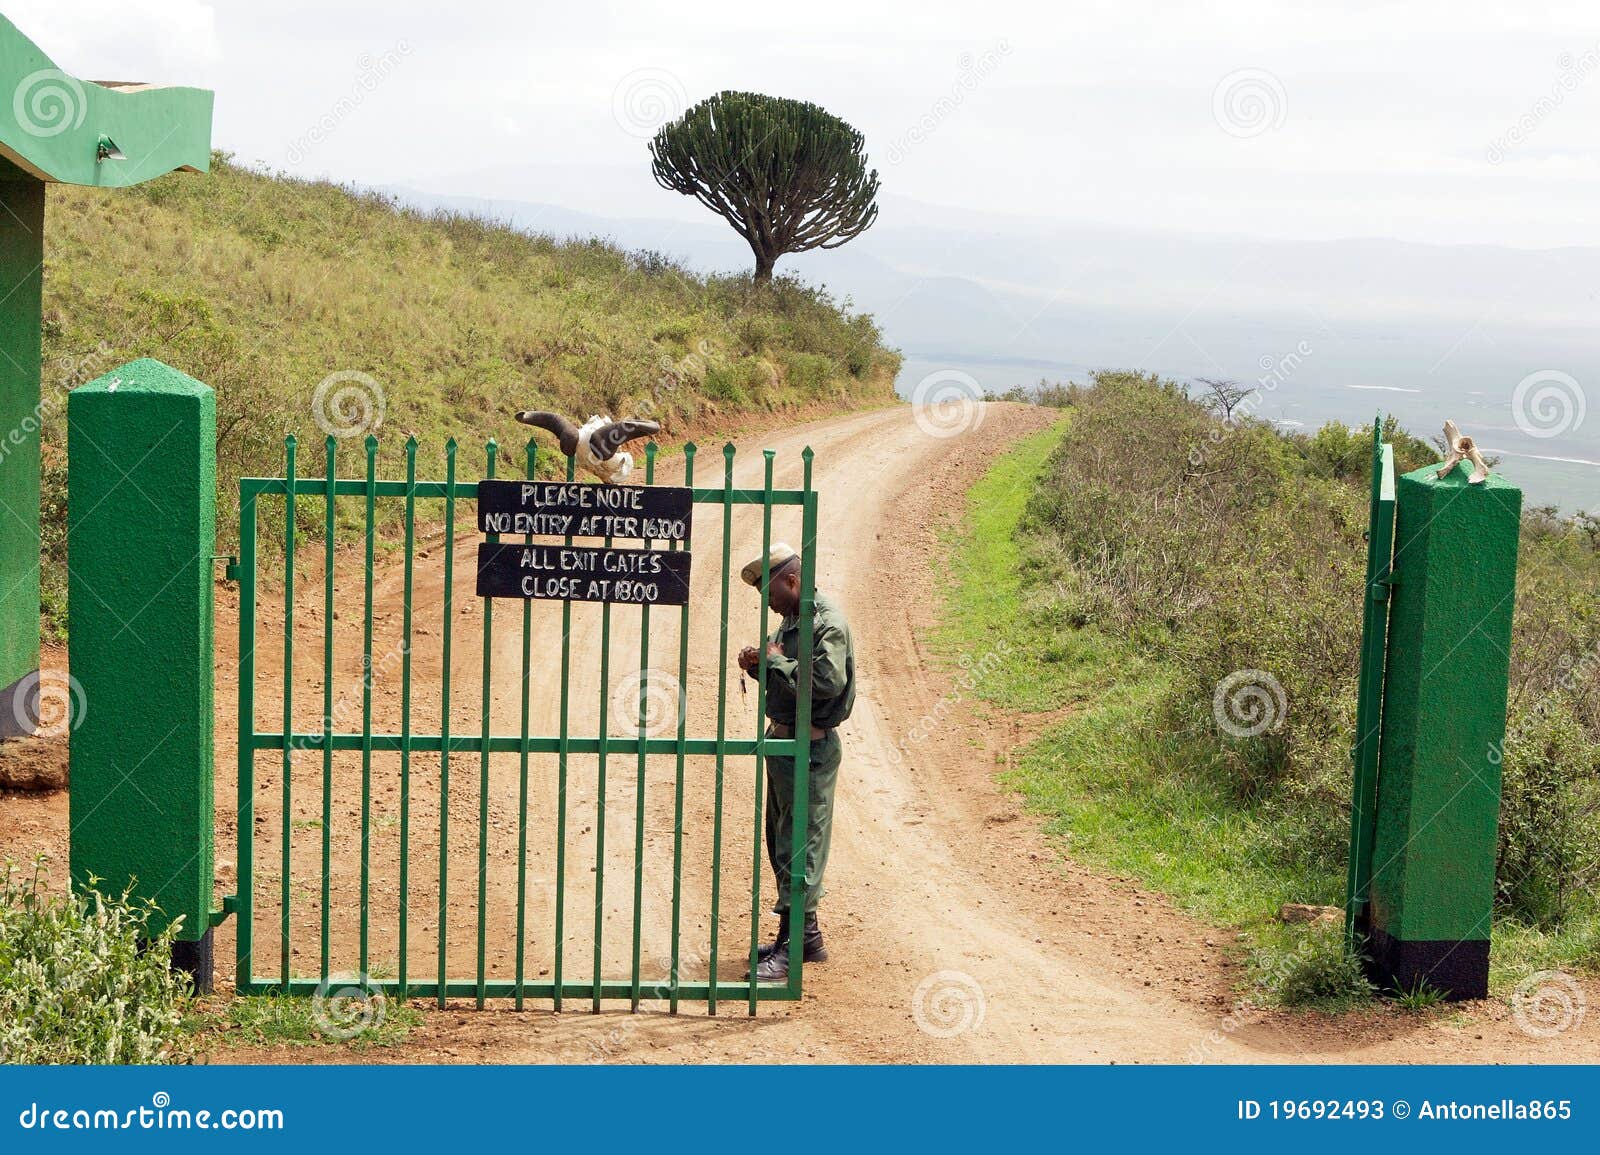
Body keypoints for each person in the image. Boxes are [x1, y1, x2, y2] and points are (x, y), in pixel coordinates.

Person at [736, 542, 855, 982]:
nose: (764, 599)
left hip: (810, 747)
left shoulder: (826, 622)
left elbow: (825, 681)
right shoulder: (791, 620)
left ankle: (792, 949)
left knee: (800, 845)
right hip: (785, 745)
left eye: (768, 589)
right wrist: (759, 666)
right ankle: (805, 937)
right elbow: (788, 676)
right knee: (781, 840)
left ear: (791, 580)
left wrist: (777, 662)